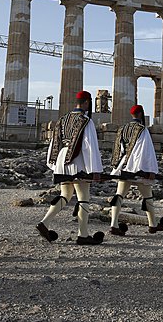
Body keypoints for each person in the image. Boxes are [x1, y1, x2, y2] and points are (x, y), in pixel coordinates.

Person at [36, 90, 104, 245]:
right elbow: (89, 146)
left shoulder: (63, 119)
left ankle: (44, 222)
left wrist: (53, 162)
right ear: (87, 102)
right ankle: (83, 234)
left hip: (62, 159)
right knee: (83, 197)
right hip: (77, 160)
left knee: (65, 195)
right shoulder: (86, 120)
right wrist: (95, 169)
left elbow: (55, 143)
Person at [107, 105, 163, 236]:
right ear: (141, 114)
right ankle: (152, 225)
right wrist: (150, 170)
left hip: (123, 166)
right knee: (148, 196)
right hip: (138, 168)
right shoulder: (142, 130)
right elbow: (146, 151)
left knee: (119, 195)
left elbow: (118, 149)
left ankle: (113, 224)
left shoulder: (122, 129)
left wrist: (116, 166)